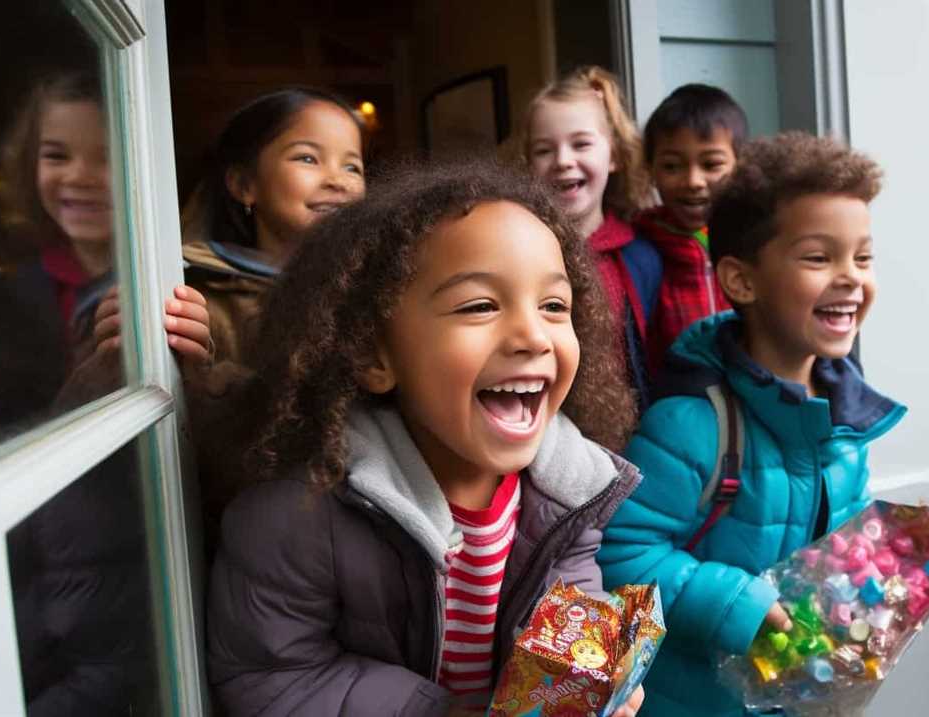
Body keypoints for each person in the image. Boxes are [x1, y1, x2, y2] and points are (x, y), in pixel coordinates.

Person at [206, 158, 645, 716]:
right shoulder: (301, 511)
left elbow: (575, 600)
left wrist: (594, 674)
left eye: (554, 306)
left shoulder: (567, 488)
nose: (533, 335)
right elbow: (273, 677)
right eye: (480, 305)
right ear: (373, 353)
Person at [597, 133, 907, 717]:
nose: (850, 277)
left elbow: (847, 543)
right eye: (819, 257)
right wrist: (734, 602)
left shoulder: (848, 422)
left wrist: (871, 587)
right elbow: (620, 553)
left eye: (862, 257)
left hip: (796, 694)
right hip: (693, 701)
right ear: (741, 280)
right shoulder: (694, 421)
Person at [0, 71, 212, 716]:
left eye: (108, 156)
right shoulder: (1, 297)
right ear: (29, 164)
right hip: (37, 574)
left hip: (158, 566)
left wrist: (205, 364)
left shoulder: (184, 287)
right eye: (58, 155)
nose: (81, 176)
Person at [181, 88, 366, 368]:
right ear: (245, 185)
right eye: (307, 158)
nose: (338, 181)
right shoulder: (203, 303)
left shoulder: (381, 286)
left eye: (352, 167)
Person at [524, 66, 661, 409]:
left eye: (581, 144)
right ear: (528, 163)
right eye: (544, 150)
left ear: (614, 155)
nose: (563, 161)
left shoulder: (643, 257)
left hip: (635, 433)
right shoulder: (523, 255)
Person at [637, 84, 748, 376]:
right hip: (675, 401)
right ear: (650, 169)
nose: (693, 181)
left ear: (740, 165)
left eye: (711, 164)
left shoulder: (754, 240)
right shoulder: (641, 247)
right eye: (672, 166)